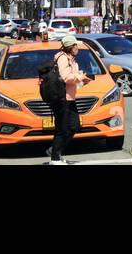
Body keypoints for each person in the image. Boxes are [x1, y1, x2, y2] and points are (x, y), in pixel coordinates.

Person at [39, 34, 88, 165]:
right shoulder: (62, 59)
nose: (78, 47)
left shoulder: (71, 59)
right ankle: (55, 158)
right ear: (70, 47)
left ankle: (54, 149)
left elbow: (70, 79)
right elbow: (66, 77)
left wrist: (83, 81)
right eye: (75, 45)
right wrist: (80, 77)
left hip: (69, 98)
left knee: (74, 127)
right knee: (63, 129)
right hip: (61, 99)